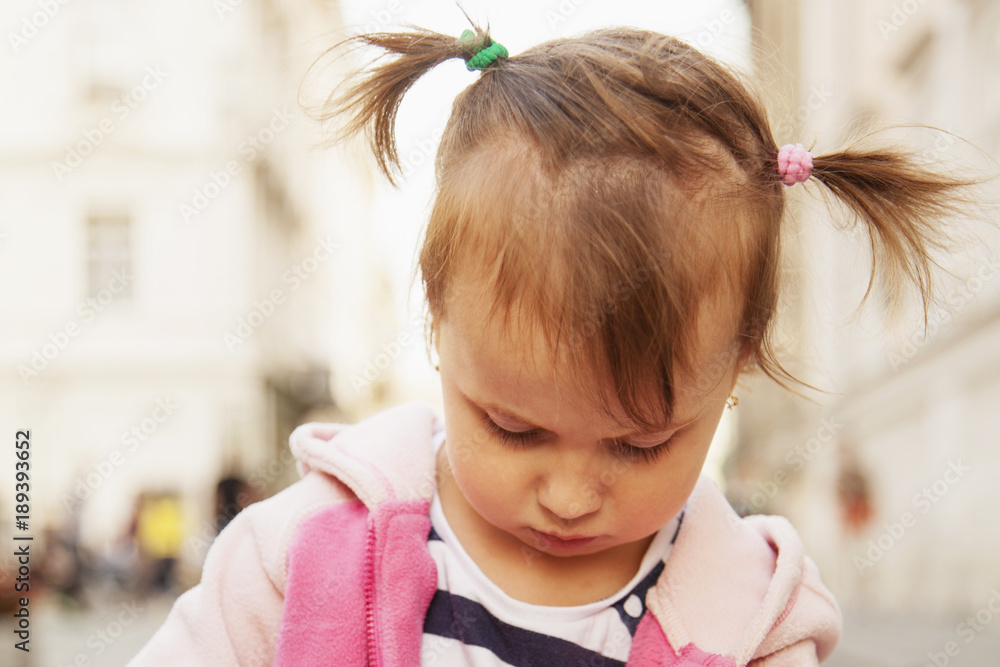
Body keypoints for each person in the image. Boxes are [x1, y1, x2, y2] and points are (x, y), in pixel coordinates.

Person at [129, 19, 983, 666]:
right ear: (437, 317)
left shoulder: (749, 623)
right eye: (515, 428)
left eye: (640, 443)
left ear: (740, 363)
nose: (571, 494)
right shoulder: (301, 551)